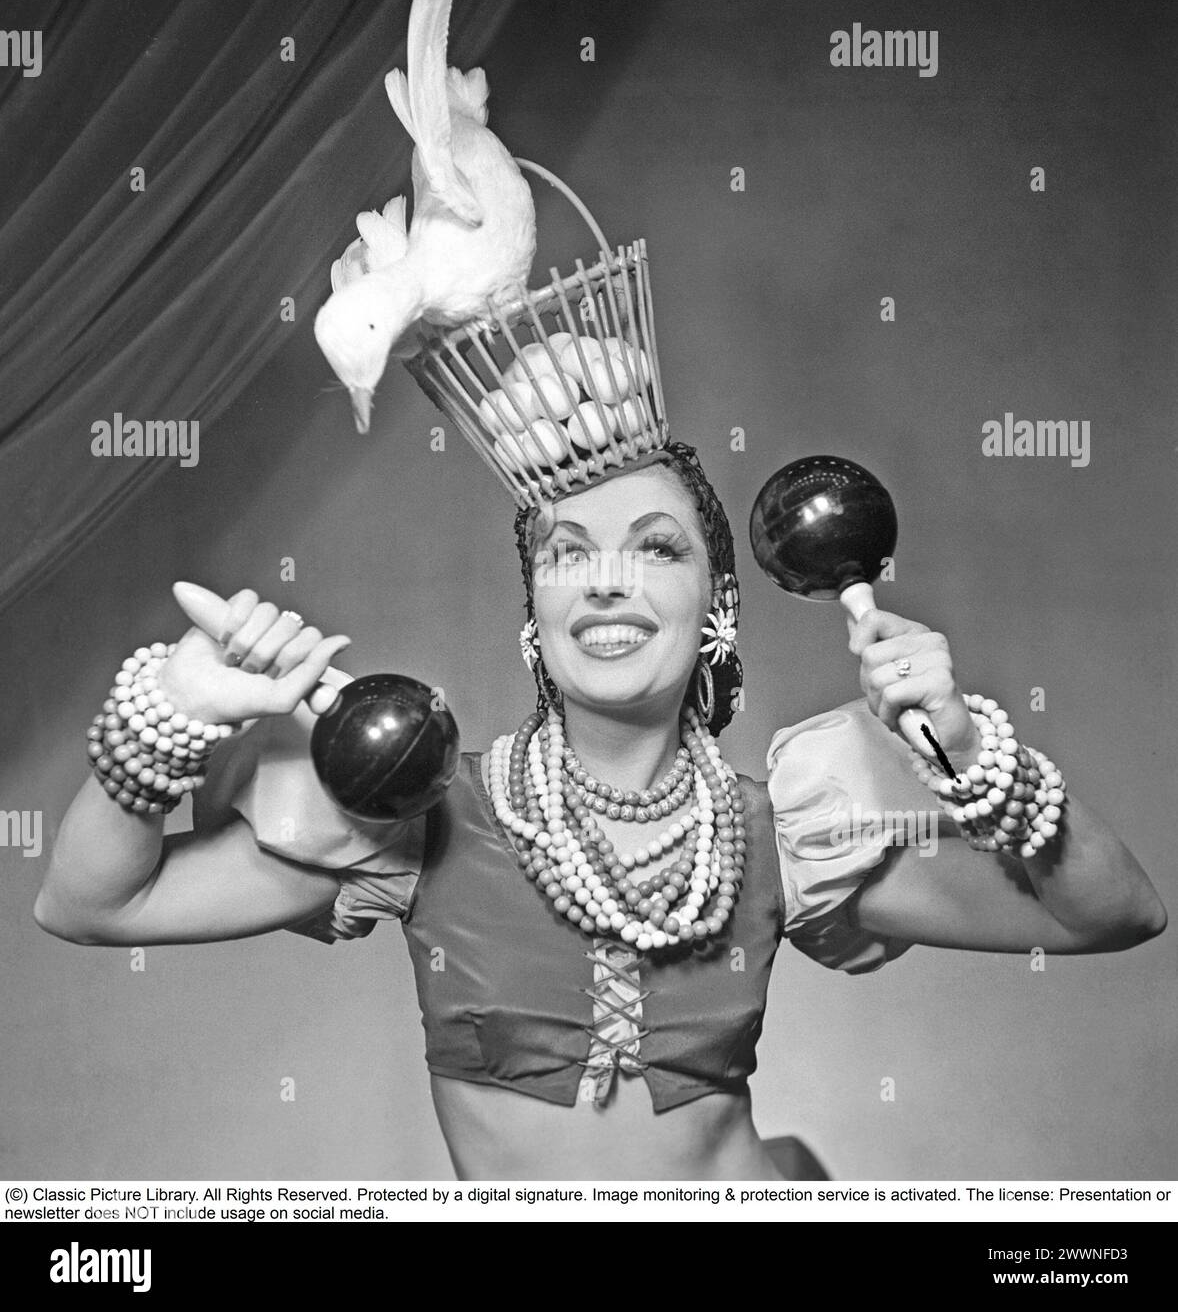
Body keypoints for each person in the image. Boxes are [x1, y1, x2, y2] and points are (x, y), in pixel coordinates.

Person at [35, 440, 1166, 1181]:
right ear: (535, 610)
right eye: (565, 554)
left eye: (655, 548)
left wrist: (972, 750)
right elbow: (93, 903)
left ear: (717, 605)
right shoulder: (426, 814)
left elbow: (1110, 915)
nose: (606, 580)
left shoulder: (788, 829)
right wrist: (169, 711)